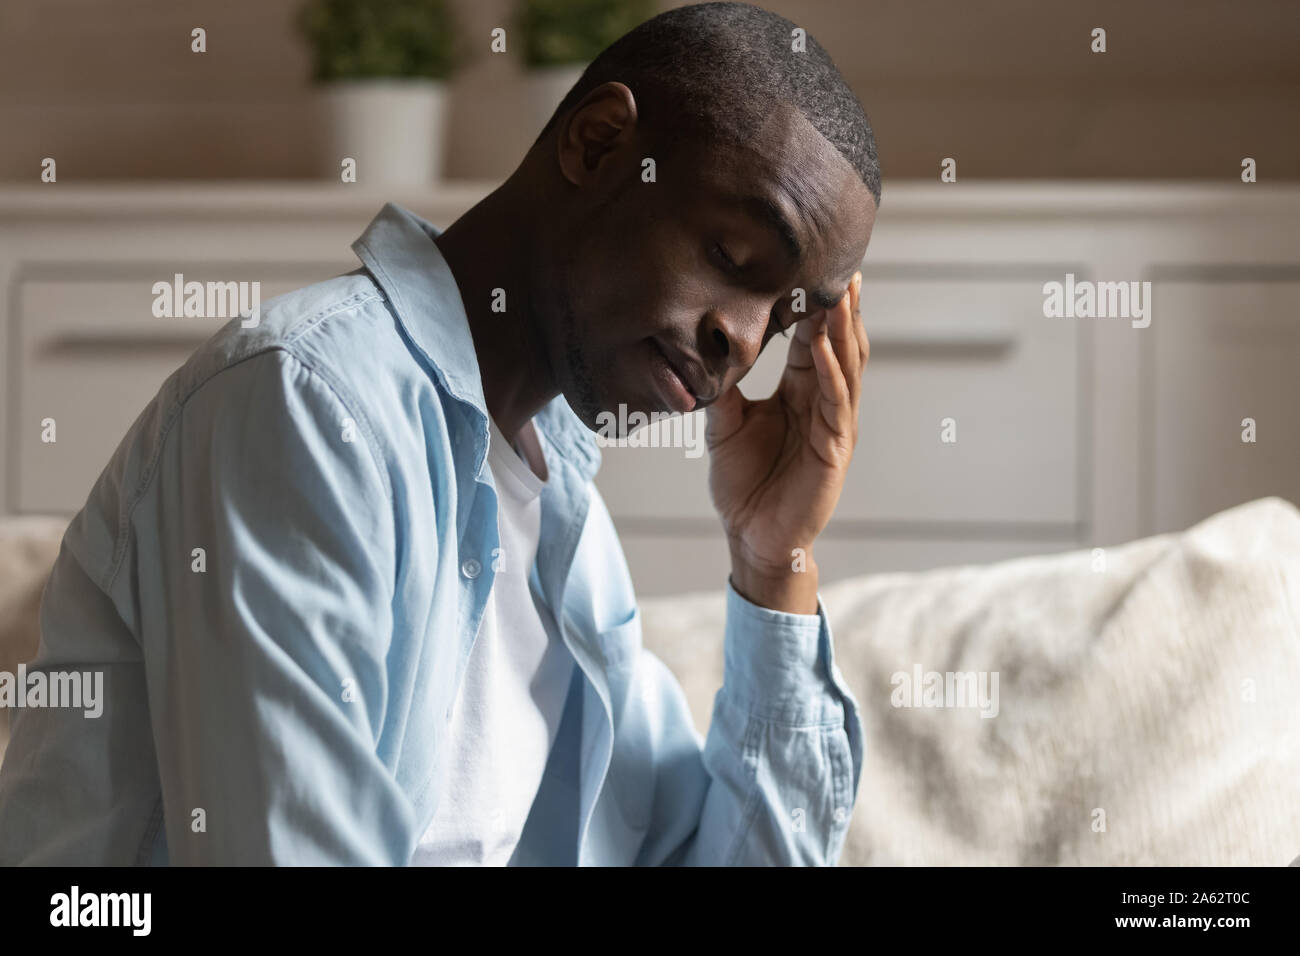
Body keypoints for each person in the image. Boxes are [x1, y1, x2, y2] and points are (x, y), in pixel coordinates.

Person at [0, 1, 879, 865]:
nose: (746, 340)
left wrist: (772, 565)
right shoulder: (306, 406)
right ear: (599, 144)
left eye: (787, 316)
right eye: (733, 257)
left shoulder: (567, 524)